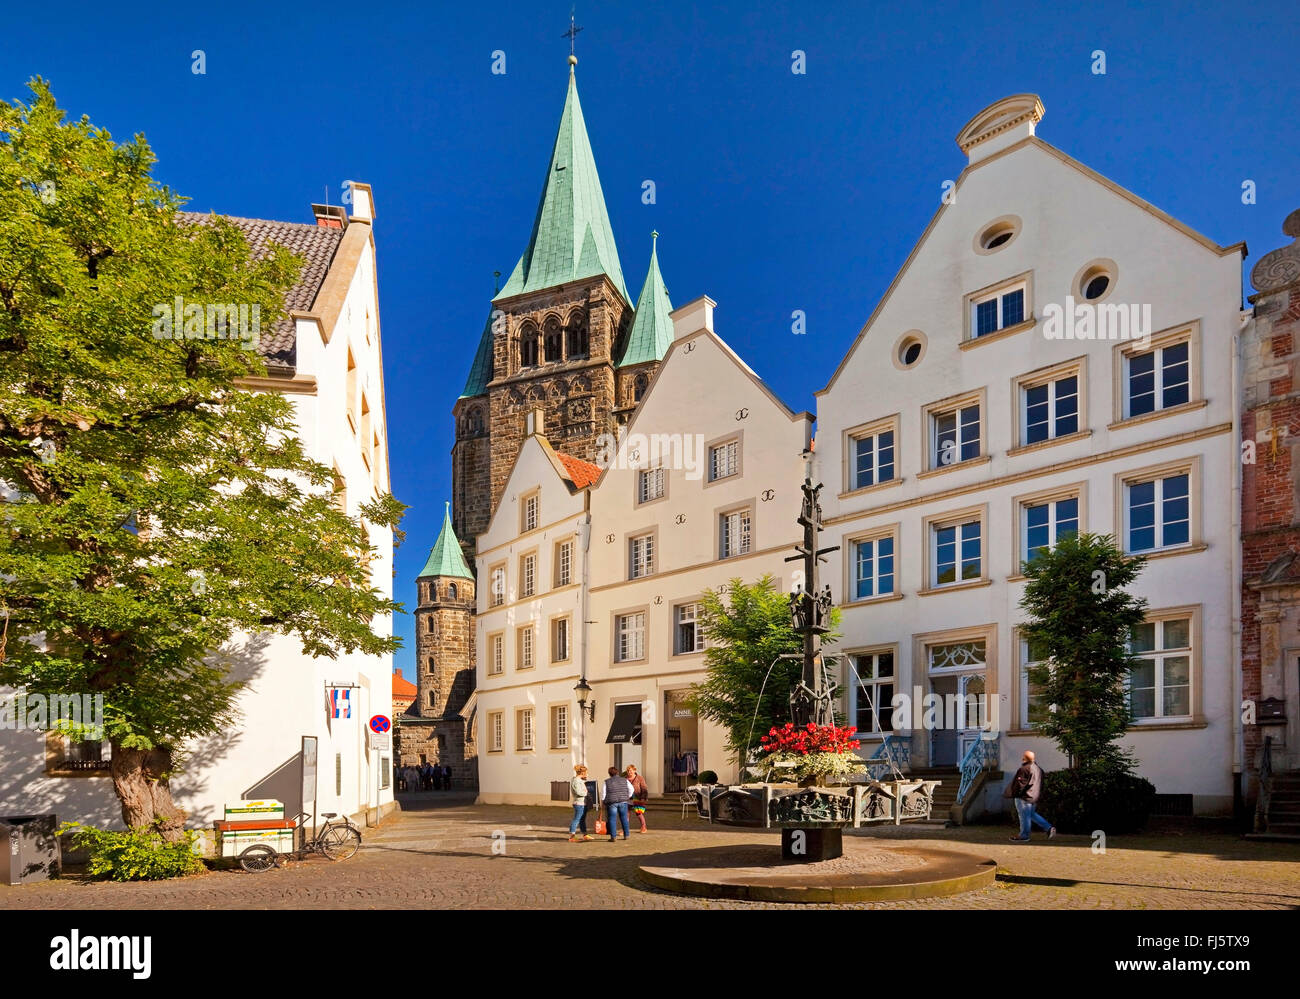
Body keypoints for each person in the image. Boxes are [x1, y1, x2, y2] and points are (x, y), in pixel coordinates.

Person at [1003, 750, 1057, 842]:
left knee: (1024, 816)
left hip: (1024, 797)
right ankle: (1049, 828)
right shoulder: (1038, 769)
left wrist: (1015, 794)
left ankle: (1024, 835)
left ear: (1024, 758)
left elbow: (1019, 785)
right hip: (1034, 796)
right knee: (1031, 815)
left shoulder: (1024, 769)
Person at [603, 766, 633, 841]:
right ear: (617, 772)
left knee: (612, 819)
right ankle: (626, 835)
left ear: (609, 774)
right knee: (624, 818)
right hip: (623, 801)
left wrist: (603, 802)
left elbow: (603, 793)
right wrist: (627, 796)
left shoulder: (606, 781)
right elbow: (632, 789)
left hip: (612, 802)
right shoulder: (624, 780)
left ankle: (613, 837)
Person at [568, 765, 593, 841]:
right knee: (576, 819)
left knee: (582, 819)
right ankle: (572, 837)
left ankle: (585, 835)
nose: (587, 774)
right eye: (586, 772)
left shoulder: (579, 780)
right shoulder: (576, 780)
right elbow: (578, 792)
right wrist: (585, 792)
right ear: (582, 773)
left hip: (582, 803)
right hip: (579, 804)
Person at [625, 764, 649, 833]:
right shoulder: (625, 779)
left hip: (637, 798)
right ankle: (625, 829)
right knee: (626, 813)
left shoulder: (640, 778)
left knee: (638, 813)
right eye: (628, 771)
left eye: (631, 770)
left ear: (634, 770)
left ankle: (643, 827)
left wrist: (643, 798)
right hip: (628, 798)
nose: (629, 772)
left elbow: (644, 788)